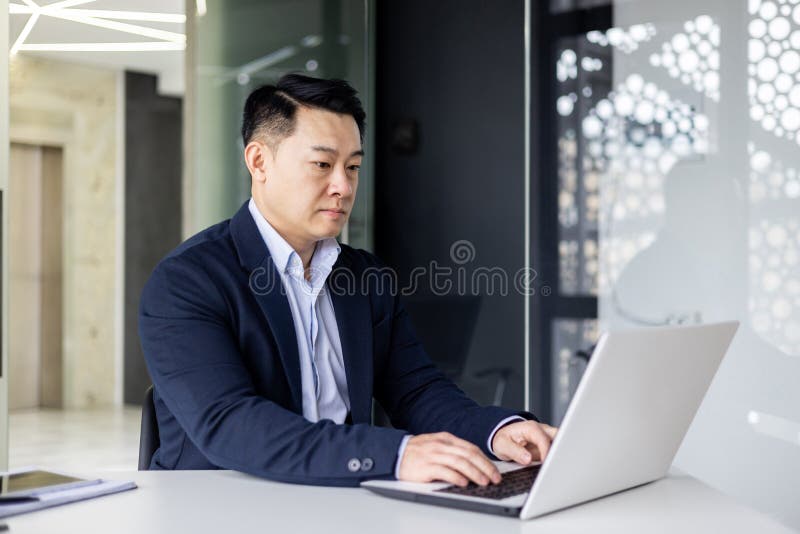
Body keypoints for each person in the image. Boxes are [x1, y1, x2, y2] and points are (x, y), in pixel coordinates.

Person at [139, 73, 556, 487]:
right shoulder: (186, 282)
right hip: (220, 506)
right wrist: (394, 454)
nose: (343, 186)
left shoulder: (365, 277)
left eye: (353, 166)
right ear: (259, 161)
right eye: (322, 165)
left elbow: (415, 390)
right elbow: (229, 423)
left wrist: (495, 431)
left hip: (341, 500)